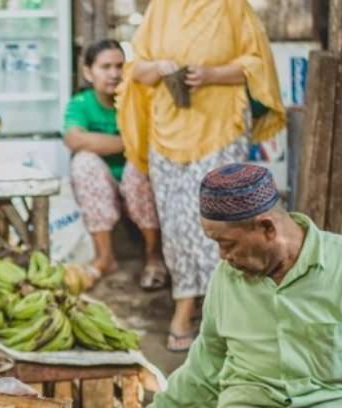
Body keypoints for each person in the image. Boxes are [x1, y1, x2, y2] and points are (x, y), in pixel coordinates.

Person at [128, 164, 342, 408]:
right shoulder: (226, 280)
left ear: (267, 228)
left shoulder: (337, 266)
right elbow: (204, 369)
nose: (222, 256)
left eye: (227, 244)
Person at [117, 0, 285, 352]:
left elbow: (258, 65)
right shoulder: (160, 9)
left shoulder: (231, 6)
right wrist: (161, 67)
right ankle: (184, 308)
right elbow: (136, 70)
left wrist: (212, 75)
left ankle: (225, 316)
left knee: (225, 225)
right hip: (168, 133)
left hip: (220, 128)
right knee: (178, 226)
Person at [63, 39, 166, 290]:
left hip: (138, 181)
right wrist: (129, 142)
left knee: (136, 171)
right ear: (88, 72)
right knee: (84, 163)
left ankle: (153, 257)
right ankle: (105, 257)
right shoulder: (81, 103)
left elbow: (153, 143)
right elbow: (74, 139)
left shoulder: (139, 99)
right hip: (103, 182)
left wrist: (102, 142)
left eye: (120, 66)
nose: (114, 74)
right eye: (105, 67)